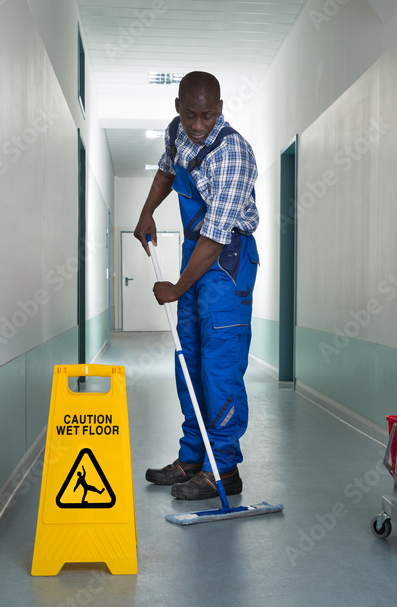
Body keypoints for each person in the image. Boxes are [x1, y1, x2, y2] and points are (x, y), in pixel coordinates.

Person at [134, 71, 260, 501]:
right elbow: (167, 173)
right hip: (196, 250)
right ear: (178, 108)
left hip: (226, 258)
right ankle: (193, 456)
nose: (199, 124)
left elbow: (216, 236)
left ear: (220, 109)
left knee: (219, 365)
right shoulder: (177, 132)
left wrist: (176, 288)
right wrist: (147, 212)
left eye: (208, 115)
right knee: (187, 358)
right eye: (191, 114)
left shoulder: (233, 154)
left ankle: (223, 469)